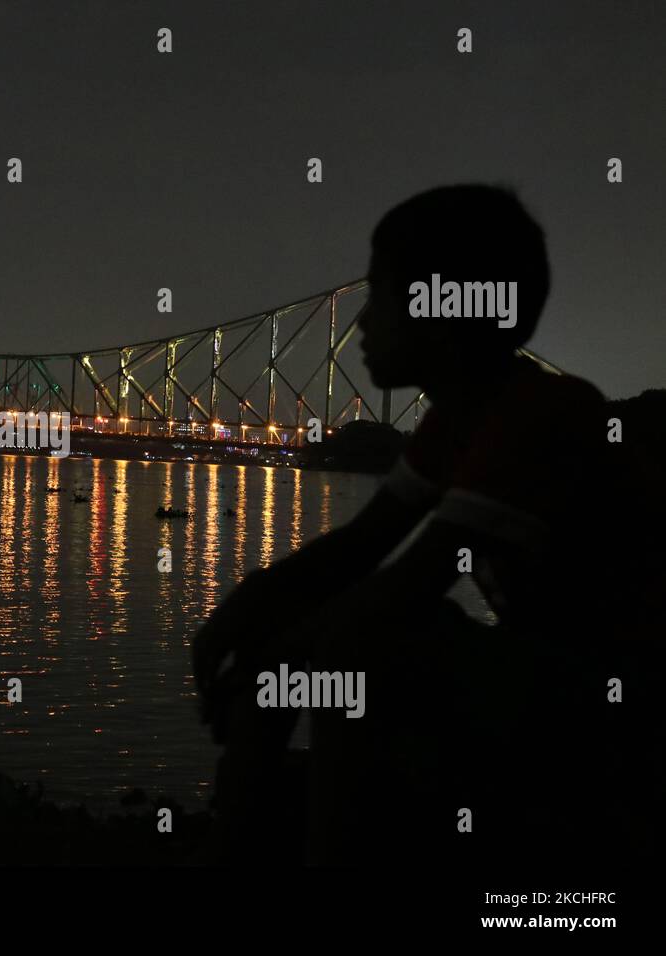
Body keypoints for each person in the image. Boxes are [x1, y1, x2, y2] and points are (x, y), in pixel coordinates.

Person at [192, 184, 662, 866]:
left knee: (358, 646)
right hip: (560, 680)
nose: (357, 323)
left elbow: (405, 585)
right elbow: (357, 547)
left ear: (441, 314)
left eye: (378, 295)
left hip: (624, 708)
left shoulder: (542, 416)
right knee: (313, 638)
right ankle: (242, 844)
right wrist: (243, 614)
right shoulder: (459, 416)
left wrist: (271, 654)